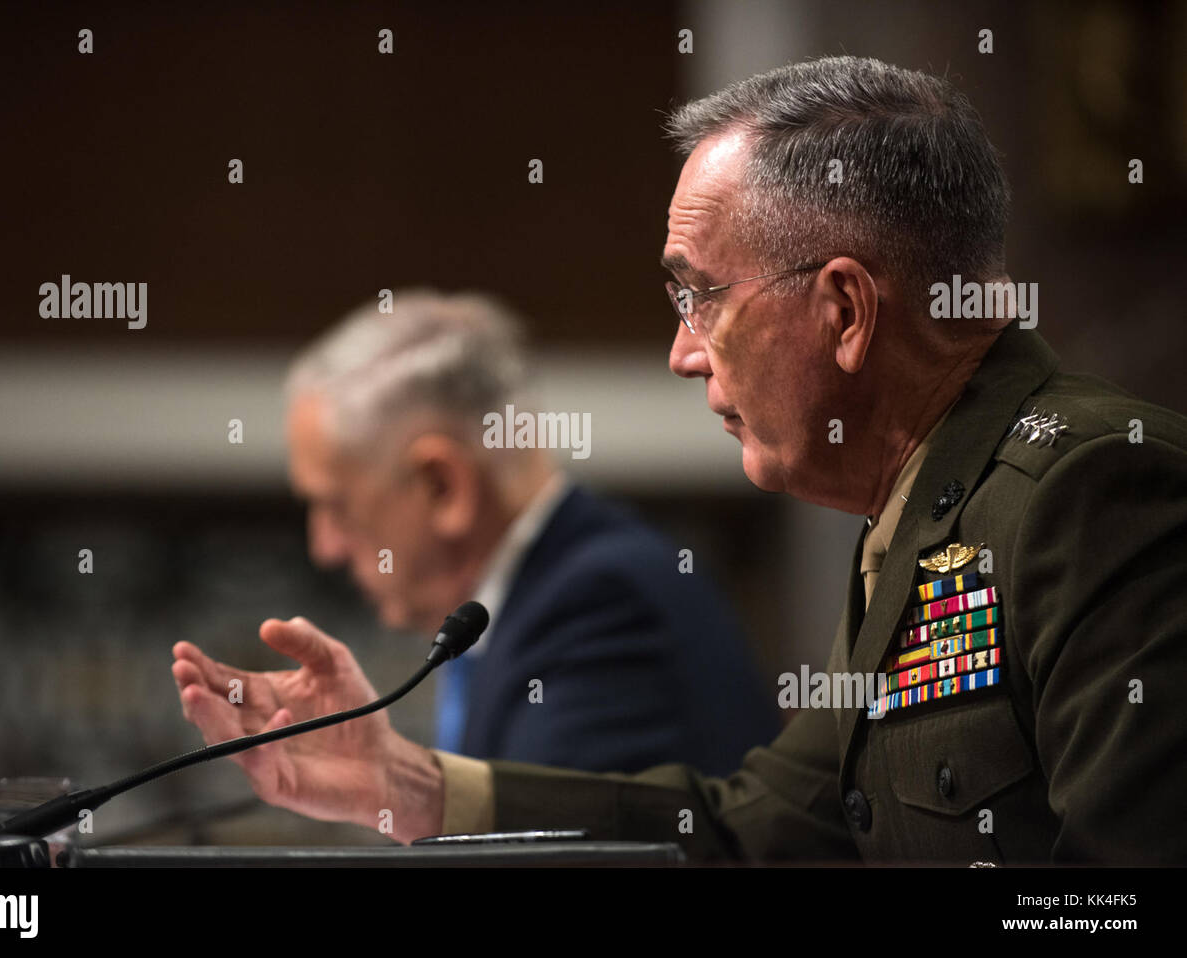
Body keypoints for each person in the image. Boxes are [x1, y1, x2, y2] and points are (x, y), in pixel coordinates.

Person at [172, 57, 1187, 864]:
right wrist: (413, 787)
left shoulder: (1094, 490)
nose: (681, 351)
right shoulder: (915, 516)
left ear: (843, 311)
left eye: (700, 295)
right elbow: (752, 827)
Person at [175, 290, 778, 778]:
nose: (324, 547)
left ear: (444, 487)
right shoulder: (546, 600)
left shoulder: (602, 611)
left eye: (337, 507)